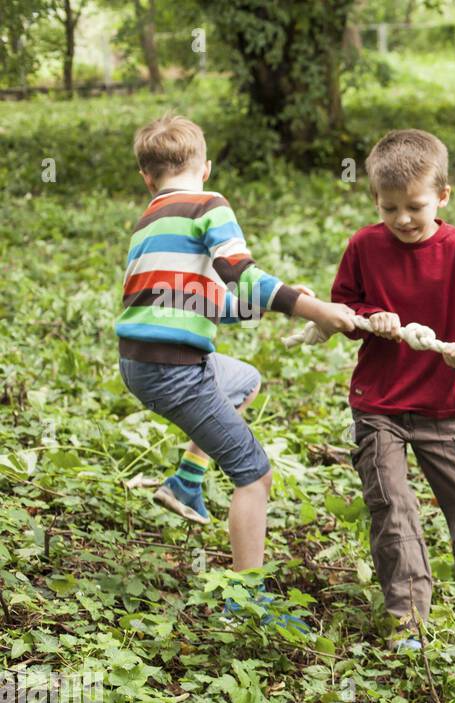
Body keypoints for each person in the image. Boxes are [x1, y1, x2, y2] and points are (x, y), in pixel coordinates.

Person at [117, 113, 355, 625]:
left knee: (244, 379)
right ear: (206, 168)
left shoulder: (149, 223)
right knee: (255, 476)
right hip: (176, 369)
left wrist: (278, 302)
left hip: (138, 364)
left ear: (146, 177)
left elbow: (196, 299)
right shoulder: (209, 205)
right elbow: (240, 274)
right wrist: (315, 310)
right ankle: (246, 601)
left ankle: (185, 480)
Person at [331, 129, 455, 648]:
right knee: (393, 509)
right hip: (379, 405)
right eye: (387, 207)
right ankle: (407, 619)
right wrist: (371, 318)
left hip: (441, 404)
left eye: (413, 207)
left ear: (442, 197)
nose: (400, 219)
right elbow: (344, 307)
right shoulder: (364, 246)